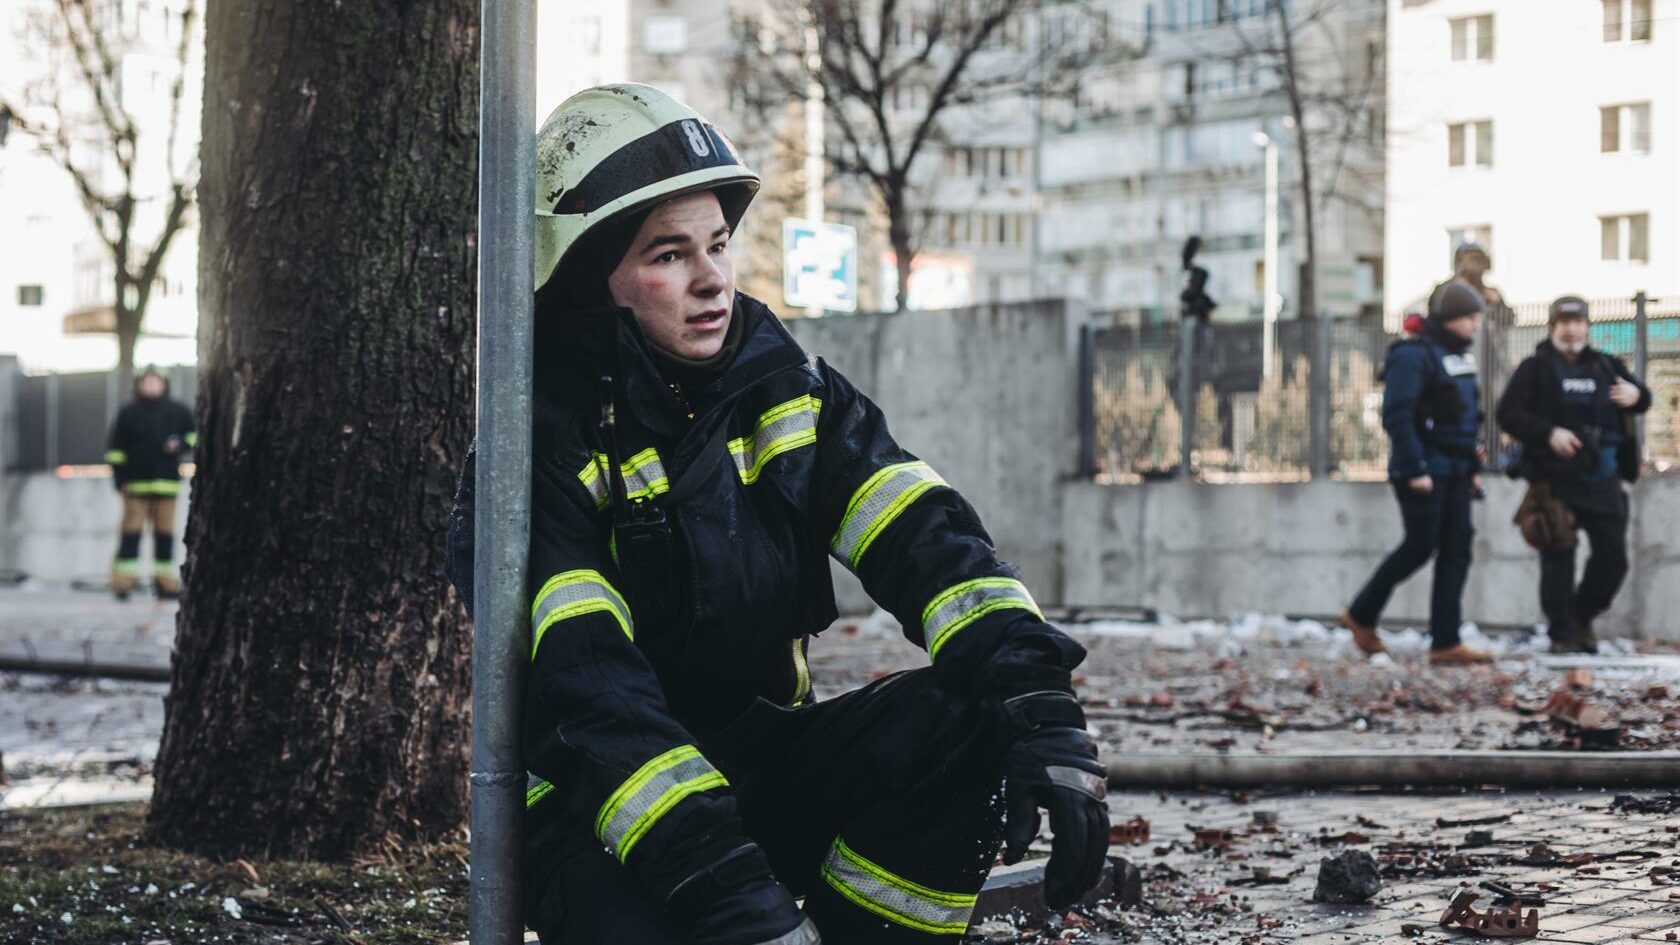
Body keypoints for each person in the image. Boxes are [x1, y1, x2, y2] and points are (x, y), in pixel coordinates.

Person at [445, 84, 1108, 945]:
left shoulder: (784, 392)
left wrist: (1041, 703)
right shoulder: (533, 456)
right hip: (604, 817)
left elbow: (931, 542)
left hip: (762, 768)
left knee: (966, 723)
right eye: (669, 254)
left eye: (717, 245)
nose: (713, 278)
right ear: (588, 278)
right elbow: (590, 695)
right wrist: (739, 903)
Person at [1339, 281, 1493, 665]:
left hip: (1456, 470)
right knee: (1420, 545)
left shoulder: (1459, 356)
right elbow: (1397, 414)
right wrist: (1414, 467)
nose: (1476, 325)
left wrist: (1473, 468)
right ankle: (1360, 615)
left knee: (1457, 550)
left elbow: (1467, 418)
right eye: (1470, 318)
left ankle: (1446, 642)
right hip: (1424, 470)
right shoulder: (1412, 355)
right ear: (1452, 317)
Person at [1496, 296, 1651, 654]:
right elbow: (1508, 414)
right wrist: (1549, 433)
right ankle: (1562, 634)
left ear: (1587, 327)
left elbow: (1643, 399)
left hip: (1603, 478)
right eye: (1564, 323)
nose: (1571, 329)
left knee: (1613, 558)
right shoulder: (1535, 368)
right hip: (1554, 480)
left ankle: (1582, 616)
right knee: (1558, 560)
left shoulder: (1607, 366)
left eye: (1578, 322)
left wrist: (1637, 394)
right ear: (1552, 328)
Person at [104, 367, 195, 600]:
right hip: (135, 486)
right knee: (130, 535)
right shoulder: (129, 413)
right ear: (139, 385)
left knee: (165, 536)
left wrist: (181, 444)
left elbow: (194, 436)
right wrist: (119, 477)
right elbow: (115, 449)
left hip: (167, 486)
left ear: (164, 384)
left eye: (156, 382)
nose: (152, 386)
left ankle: (165, 584)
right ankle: (123, 584)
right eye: (147, 382)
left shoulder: (178, 411)